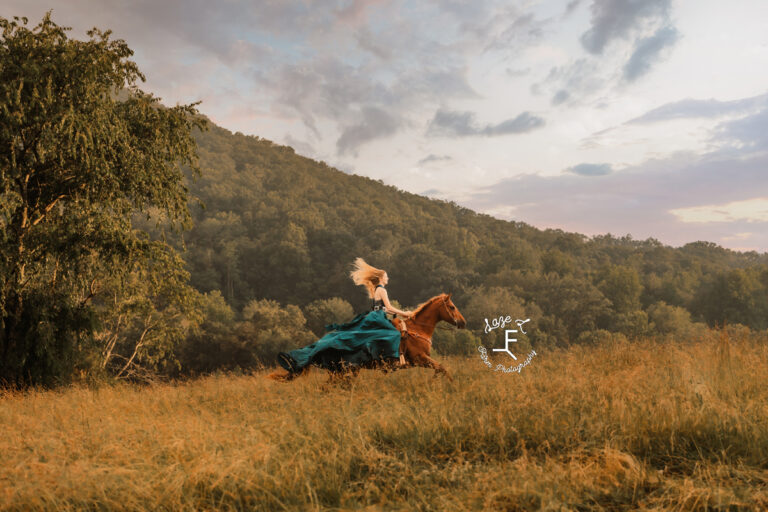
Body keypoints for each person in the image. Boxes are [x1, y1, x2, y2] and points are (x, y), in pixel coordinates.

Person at [277, 257, 413, 374]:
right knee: (393, 334)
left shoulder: (377, 289)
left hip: (375, 315)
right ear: (381, 278)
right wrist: (405, 313)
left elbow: (387, 310)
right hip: (378, 316)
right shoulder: (382, 290)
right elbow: (388, 307)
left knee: (378, 335)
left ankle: (384, 359)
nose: (388, 278)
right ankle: (392, 361)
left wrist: (397, 314)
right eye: (386, 276)